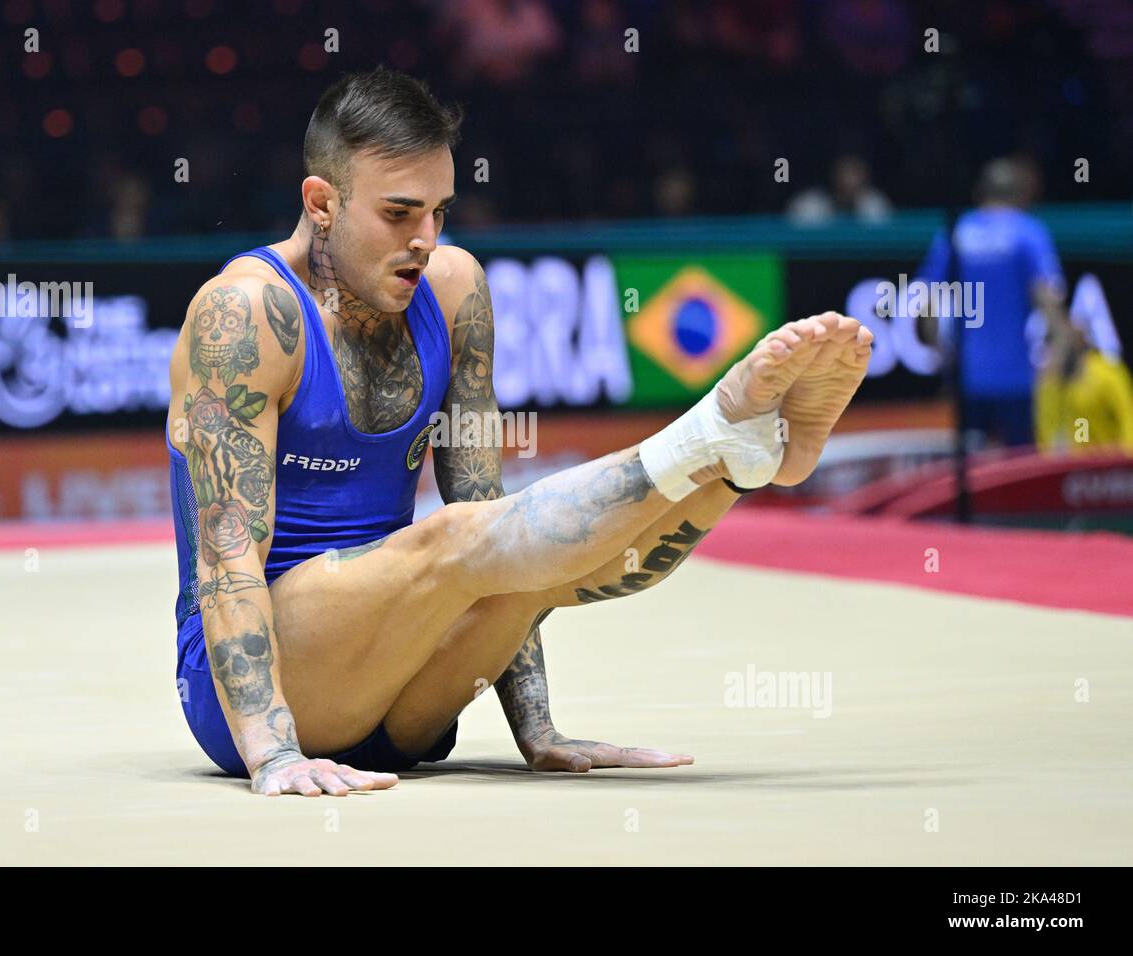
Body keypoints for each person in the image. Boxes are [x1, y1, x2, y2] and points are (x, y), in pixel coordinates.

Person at [165, 66, 874, 797]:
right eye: (400, 213)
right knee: (453, 536)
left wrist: (537, 730)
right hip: (257, 691)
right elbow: (227, 557)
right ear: (322, 202)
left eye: (440, 211)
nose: (425, 239)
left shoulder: (455, 288)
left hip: (405, 701)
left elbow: (499, 533)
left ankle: (739, 466)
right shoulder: (243, 316)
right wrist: (273, 752)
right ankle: (706, 433)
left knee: (526, 568)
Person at [916, 157, 1070, 447]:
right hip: (1017, 382)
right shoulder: (1028, 232)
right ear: (1020, 195)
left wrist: (940, 351)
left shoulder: (957, 231)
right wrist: (1058, 352)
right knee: (1016, 476)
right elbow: (1048, 299)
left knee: (973, 476)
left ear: (979, 193)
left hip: (968, 381)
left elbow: (927, 298)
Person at [1035, 321, 1133, 454]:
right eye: (1051, 346)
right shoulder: (1056, 386)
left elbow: (1127, 416)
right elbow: (1056, 436)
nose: (1055, 353)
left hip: (1118, 464)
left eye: (1059, 344)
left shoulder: (1107, 373)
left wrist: (1127, 461)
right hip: (1086, 467)